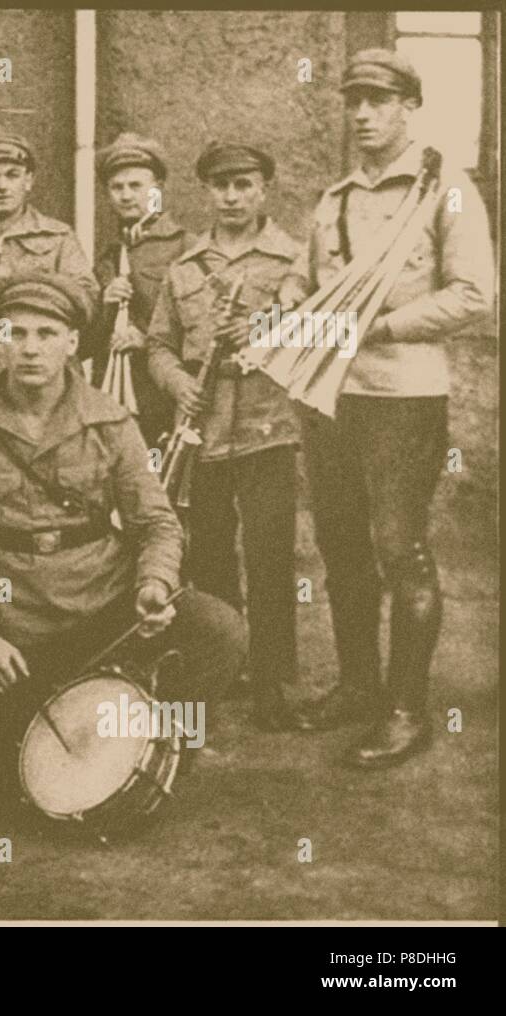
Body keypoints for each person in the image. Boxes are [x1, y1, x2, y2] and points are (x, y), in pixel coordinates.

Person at [0, 273, 245, 796]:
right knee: (28, 785)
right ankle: (96, 718)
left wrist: (153, 587)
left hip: (108, 609)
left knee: (219, 629)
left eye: (47, 334)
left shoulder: (110, 420)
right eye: (16, 333)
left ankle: (159, 743)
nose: (31, 349)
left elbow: (156, 523)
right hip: (22, 632)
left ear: (72, 342)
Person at [284, 51, 493, 766]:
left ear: (410, 105)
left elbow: (474, 294)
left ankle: (407, 710)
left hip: (404, 398)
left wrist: (382, 325)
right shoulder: (333, 197)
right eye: (355, 101)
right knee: (342, 551)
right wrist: (285, 309)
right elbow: (302, 281)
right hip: (330, 396)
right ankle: (359, 686)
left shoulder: (445, 191)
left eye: (380, 100)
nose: (364, 114)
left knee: (399, 549)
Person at [146, 141, 303, 732]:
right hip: (201, 433)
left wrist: (262, 335)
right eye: (221, 187)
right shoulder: (185, 266)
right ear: (207, 193)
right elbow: (158, 341)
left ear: (264, 190)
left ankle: (272, 681)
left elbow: (316, 337)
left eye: (244, 186)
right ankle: (225, 664)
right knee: (209, 555)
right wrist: (176, 382)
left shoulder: (291, 261)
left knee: (269, 556)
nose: (232, 197)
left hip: (268, 426)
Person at [0, 130, 98, 400]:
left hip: (47, 373)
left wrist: (15, 283)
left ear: (28, 181)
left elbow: (88, 302)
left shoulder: (58, 237)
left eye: (12, 175)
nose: (2, 186)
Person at [86, 131, 189, 447]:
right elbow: (85, 343)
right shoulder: (107, 255)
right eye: (116, 188)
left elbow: (198, 329)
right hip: (113, 396)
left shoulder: (186, 247)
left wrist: (145, 338)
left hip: (162, 396)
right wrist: (105, 304)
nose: (126, 195)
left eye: (136, 186)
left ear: (157, 189)